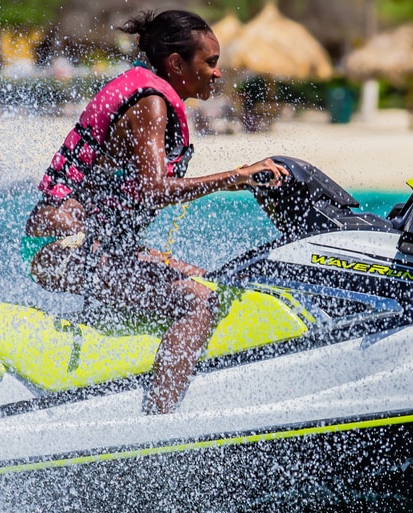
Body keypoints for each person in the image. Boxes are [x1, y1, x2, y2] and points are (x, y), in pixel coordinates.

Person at [23, 9, 287, 415]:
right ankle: (157, 426)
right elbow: (153, 190)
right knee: (198, 302)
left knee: (205, 279)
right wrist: (237, 177)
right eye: (210, 62)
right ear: (177, 63)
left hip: (90, 244)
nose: (218, 73)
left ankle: (118, 385)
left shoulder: (150, 93)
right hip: (62, 247)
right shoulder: (151, 103)